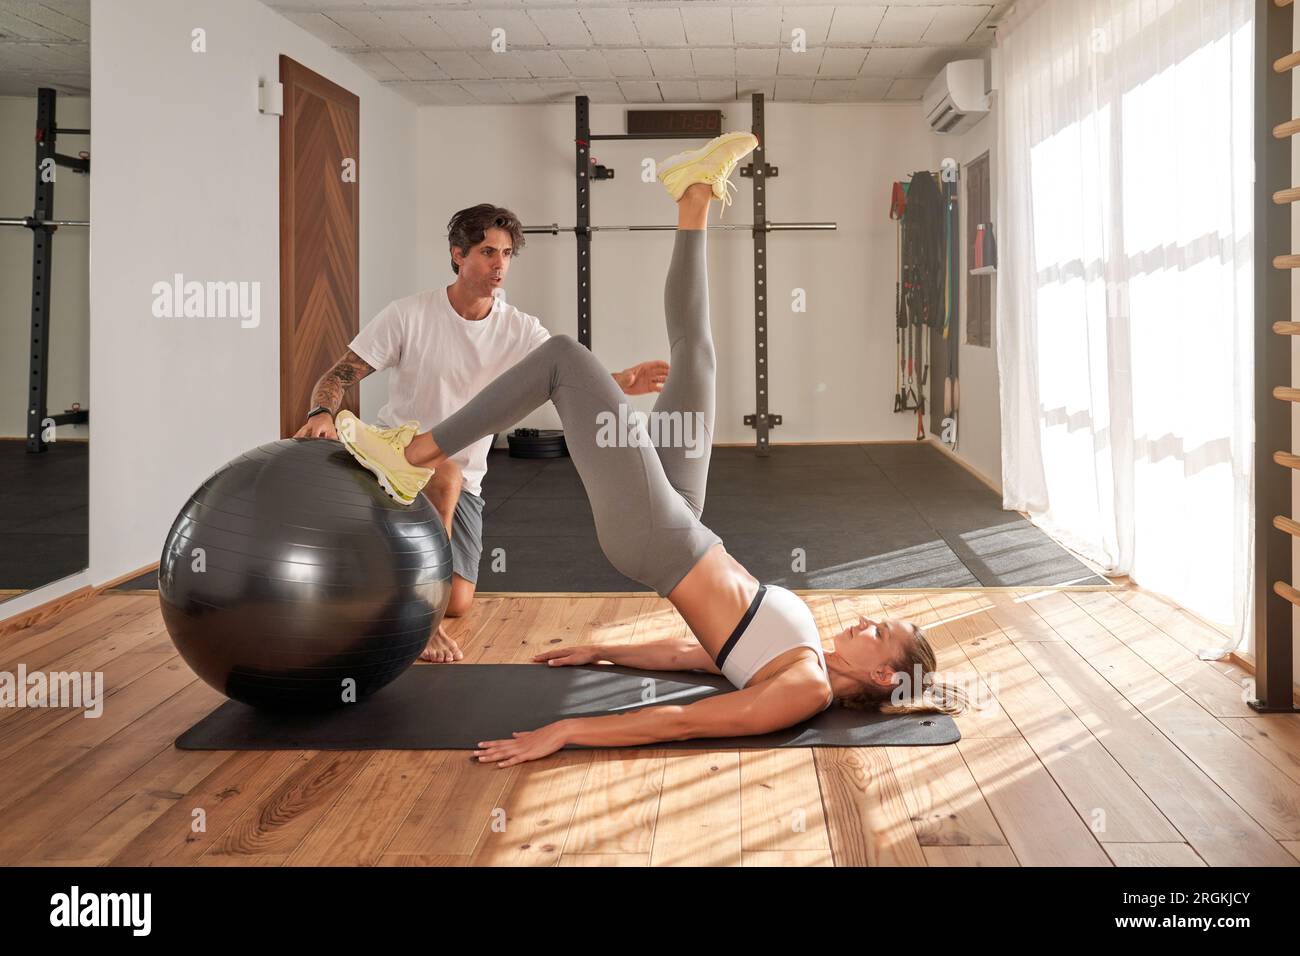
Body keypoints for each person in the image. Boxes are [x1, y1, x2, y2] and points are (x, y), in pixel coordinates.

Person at [335, 131, 967, 767]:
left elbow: (686, 721)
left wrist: (567, 731)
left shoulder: (805, 687)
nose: (865, 622)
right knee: (699, 357)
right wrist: (604, 652)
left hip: (658, 538)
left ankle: (413, 454)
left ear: (886, 677)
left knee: (560, 358)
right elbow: (695, 655)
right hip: (683, 518)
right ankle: (692, 197)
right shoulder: (810, 657)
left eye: (879, 633)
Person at [294, 205, 670, 664]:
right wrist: (321, 412)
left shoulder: (519, 330)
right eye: (488, 252)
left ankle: (410, 588)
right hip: (395, 461)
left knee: (461, 602)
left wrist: (624, 382)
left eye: (507, 254)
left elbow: (568, 379)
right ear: (458, 255)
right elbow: (339, 375)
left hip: (464, 483)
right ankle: (419, 616)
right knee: (444, 471)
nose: (500, 265)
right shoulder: (408, 315)